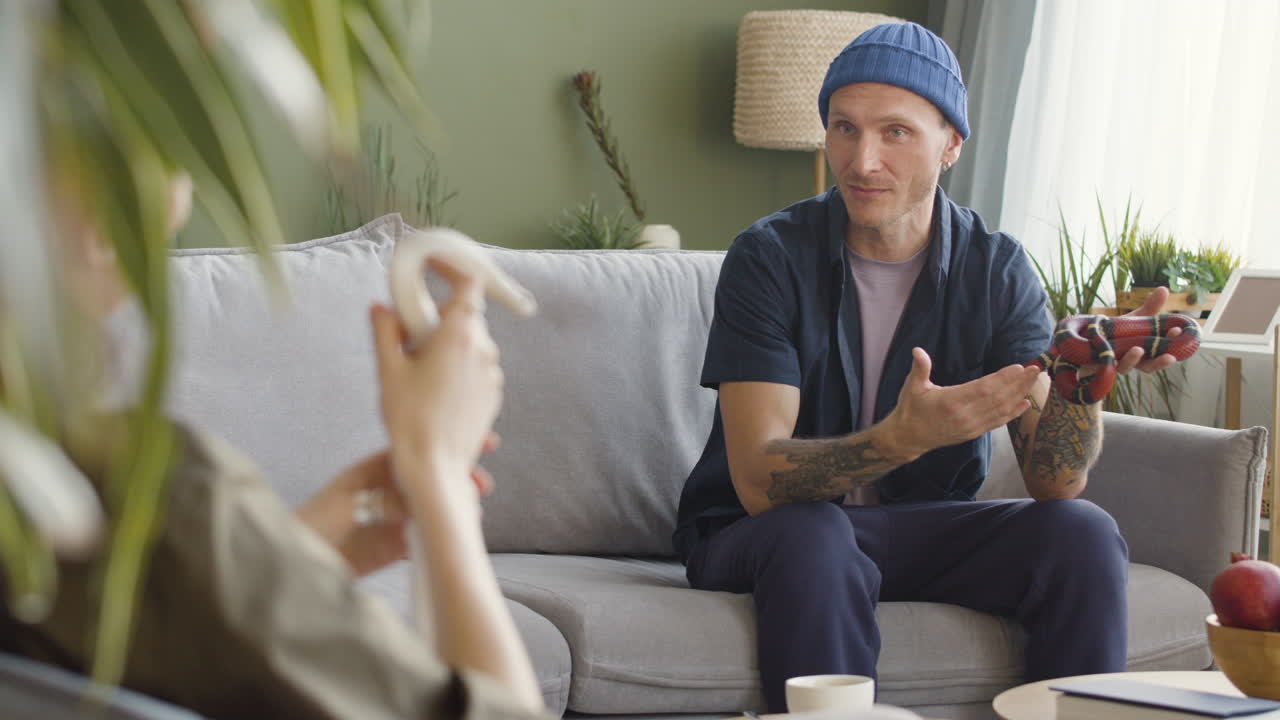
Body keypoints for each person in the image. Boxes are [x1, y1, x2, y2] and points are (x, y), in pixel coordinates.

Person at [672, 22, 1180, 712]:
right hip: (759, 535)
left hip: (919, 529)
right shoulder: (769, 258)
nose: (863, 160)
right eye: (844, 128)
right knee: (814, 531)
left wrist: (1080, 379)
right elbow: (761, 483)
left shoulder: (997, 269)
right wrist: (902, 437)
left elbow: (1055, 481)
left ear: (952, 145)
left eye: (895, 133)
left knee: (1081, 532)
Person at [0, 181, 550, 720]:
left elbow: (129, 637)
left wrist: (278, 553)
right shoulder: (147, 492)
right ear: (102, 219)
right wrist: (440, 471)